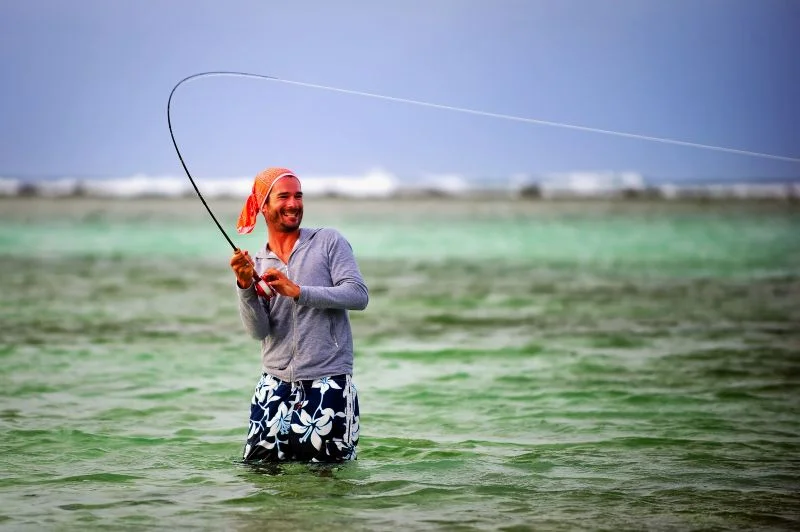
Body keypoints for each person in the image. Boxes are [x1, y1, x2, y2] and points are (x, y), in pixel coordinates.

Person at [229, 167, 369, 462]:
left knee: (327, 481)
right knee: (259, 474)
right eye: (284, 197)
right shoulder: (256, 262)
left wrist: (299, 291)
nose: (294, 204)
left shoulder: (329, 242)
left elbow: (358, 295)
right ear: (263, 206)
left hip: (327, 381)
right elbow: (258, 332)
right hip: (273, 385)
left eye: (298, 196)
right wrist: (244, 286)